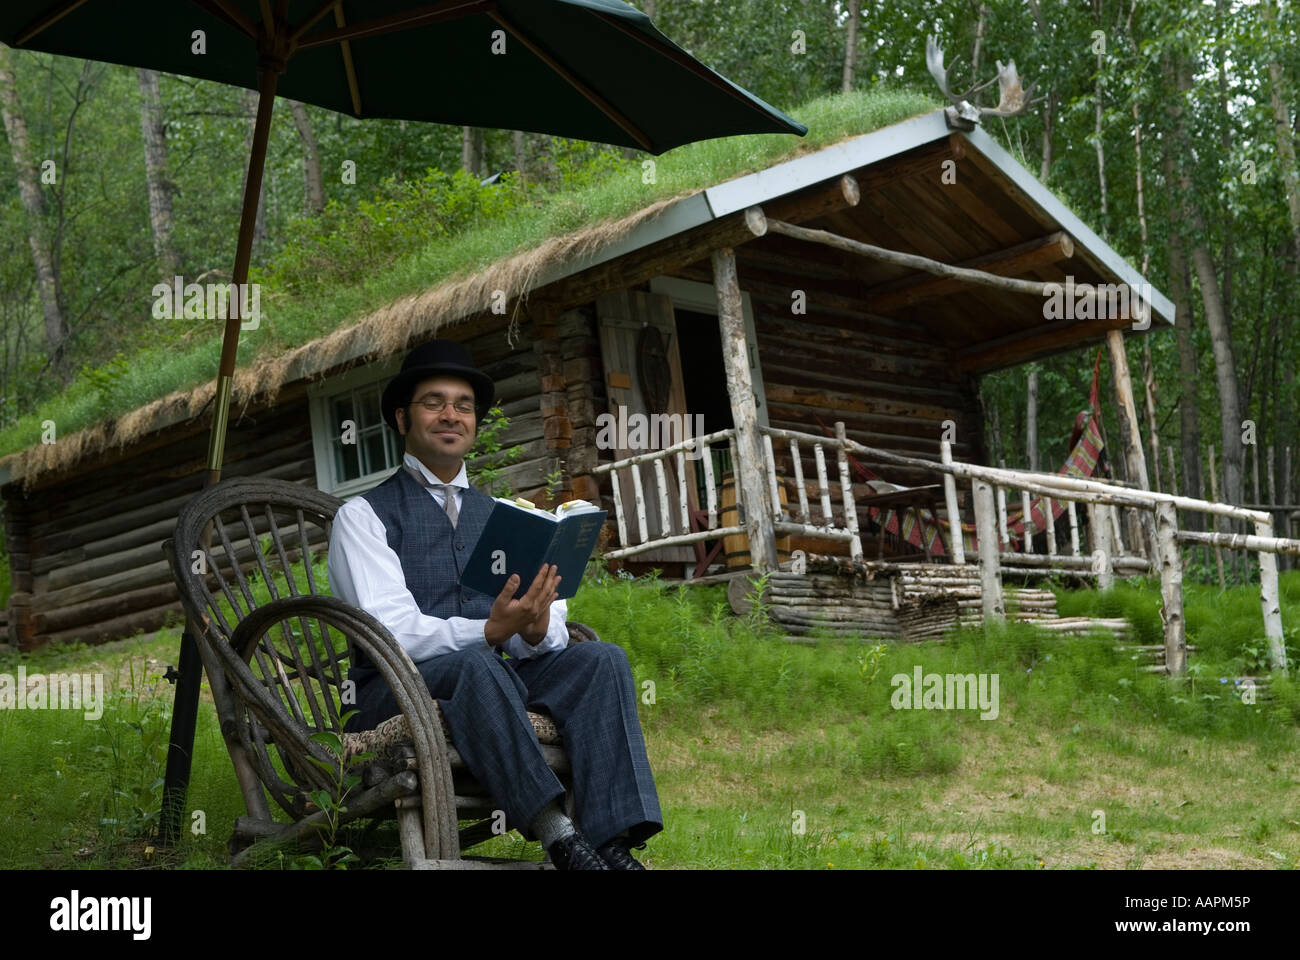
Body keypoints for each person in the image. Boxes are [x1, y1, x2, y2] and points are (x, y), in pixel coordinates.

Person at [327, 339, 662, 870]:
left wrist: (534, 629)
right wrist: (488, 630)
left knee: (601, 660)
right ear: (401, 418)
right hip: (393, 692)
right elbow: (393, 632)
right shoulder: (363, 517)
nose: (450, 415)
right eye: (433, 402)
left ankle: (611, 846)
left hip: (490, 679)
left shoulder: (505, 515)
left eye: (463, 405)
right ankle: (559, 835)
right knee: (478, 662)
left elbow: (543, 636)